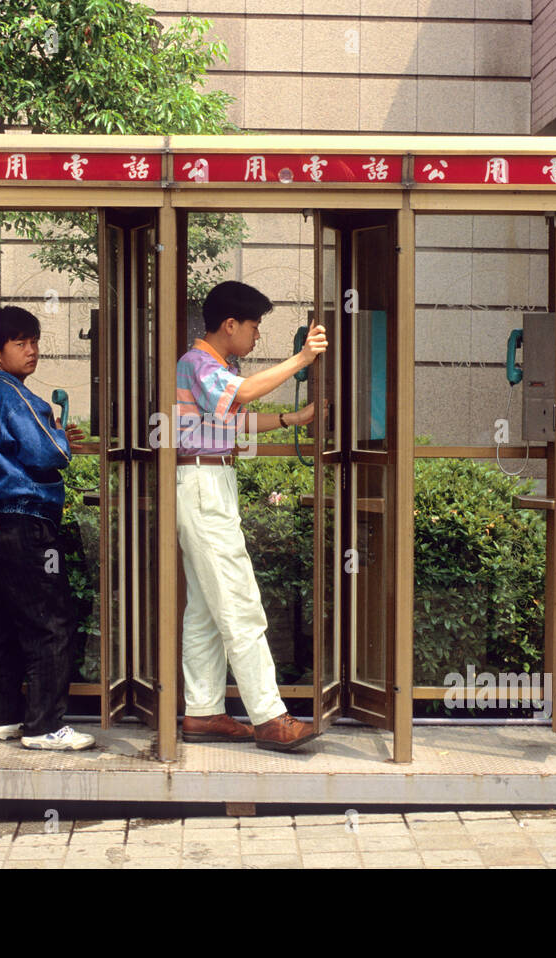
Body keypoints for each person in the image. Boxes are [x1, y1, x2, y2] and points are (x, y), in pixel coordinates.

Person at [175, 280, 327, 751]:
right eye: (255, 326)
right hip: (202, 483)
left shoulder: (216, 366)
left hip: (209, 479)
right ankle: (269, 717)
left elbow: (233, 418)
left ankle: (202, 713)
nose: (257, 335)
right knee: (240, 603)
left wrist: (290, 420)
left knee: (204, 609)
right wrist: (302, 359)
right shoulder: (198, 362)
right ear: (230, 325)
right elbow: (242, 392)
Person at [0, 306, 94, 751]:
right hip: (25, 522)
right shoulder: (15, 396)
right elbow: (47, 454)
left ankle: (3, 717)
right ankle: (44, 726)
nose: (31, 351)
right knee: (51, 621)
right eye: (20, 343)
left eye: (34, 341)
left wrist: (52, 438)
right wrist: (59, 437)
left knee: (0, 620)